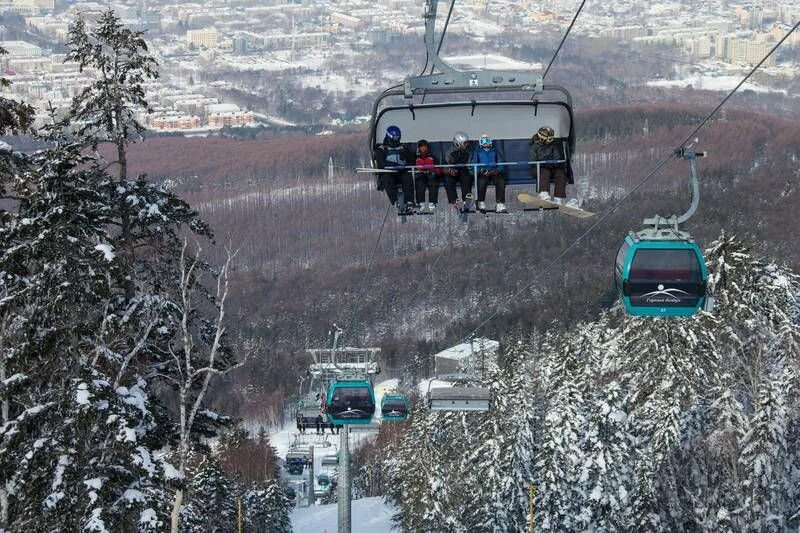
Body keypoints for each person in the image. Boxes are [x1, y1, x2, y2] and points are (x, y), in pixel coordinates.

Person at [374, 125, 415, 214]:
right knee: (386, 178)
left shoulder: (402, 148)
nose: (396, 139)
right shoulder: (381, 149)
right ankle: (396, 201)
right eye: (395, 137)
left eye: (398, 137)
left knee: (407, 176)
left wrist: (405, 160)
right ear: (389, 136)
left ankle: (409, 201)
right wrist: (395, 165)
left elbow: (411, 160)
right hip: (389, 172)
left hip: (401, 172)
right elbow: (381, 163)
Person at [530, 126, 568, 204]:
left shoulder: (553, 146)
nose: (550, 141)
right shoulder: (534, 147)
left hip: (552, 167)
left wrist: (553, 164)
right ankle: (543, 193)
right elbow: (532, 161)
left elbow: (556, 157)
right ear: (542, 137)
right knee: (545, 172)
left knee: (560, 174)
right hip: (539, 169)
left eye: (551, 139)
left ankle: (558, 197)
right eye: (549, 139)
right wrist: (545, 162)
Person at [470, 134, 507, 213]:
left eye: (488, 141)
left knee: (501, 180)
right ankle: (481, 202)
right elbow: (474, 164)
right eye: (484, 141)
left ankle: (499, 204)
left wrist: (497, 170)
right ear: (480, 142)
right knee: (482, 182)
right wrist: (482, 170)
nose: (486, 143)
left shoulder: (495, 151)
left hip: (494, 171)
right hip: (483, 172)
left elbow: (501, 163)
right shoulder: (477, 152)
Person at [444, 131, 473, 211]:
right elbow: (446, 164)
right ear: (458, 143)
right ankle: (455, 201)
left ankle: (466, 202)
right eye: (464, 143)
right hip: (453, 171)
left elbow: (469, 163)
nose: (466, 145)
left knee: (467, 179)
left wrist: (469, 169)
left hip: (464, 171)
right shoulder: (449, 152)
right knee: (448, 180)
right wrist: (450, 170)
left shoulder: (469, 152)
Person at [414, 139, 442, 213]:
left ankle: (432, 203)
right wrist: (418, 172)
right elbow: (412, 168)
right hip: (420, 175)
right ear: (418, 148)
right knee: (420, 184)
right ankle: (420, 203)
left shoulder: (432, 158)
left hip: (430, 175)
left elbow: (438, 168)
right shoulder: (415, 158)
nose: (423, 149)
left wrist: (434, 172)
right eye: (421, 147)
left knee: (433, 183)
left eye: (425, 147)